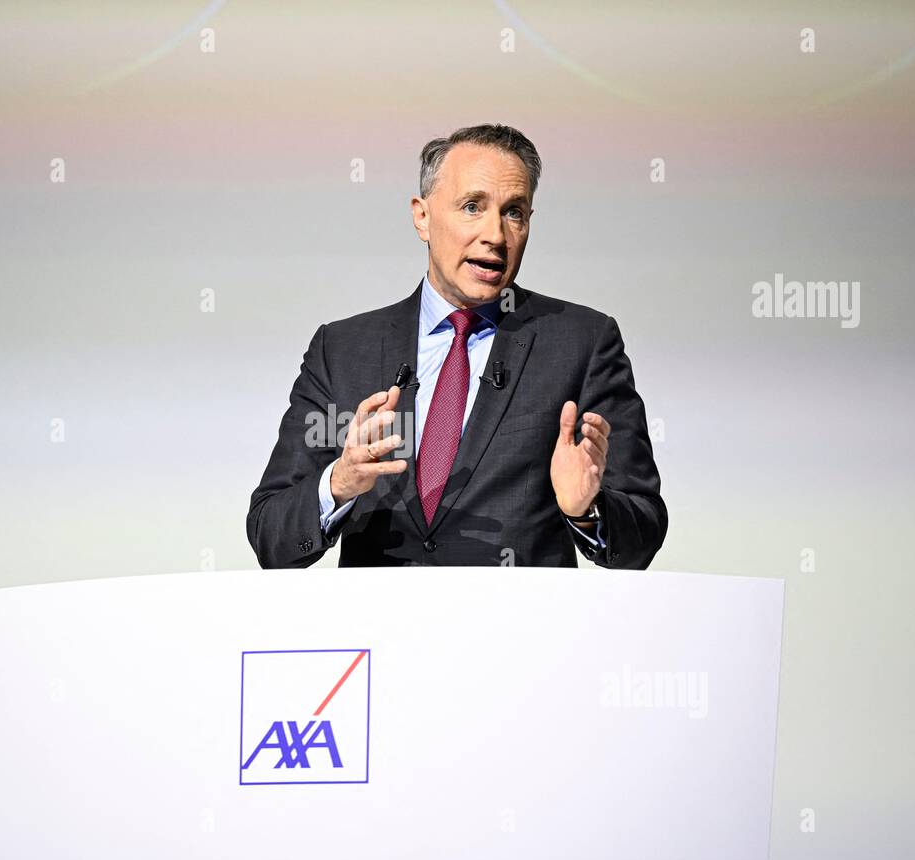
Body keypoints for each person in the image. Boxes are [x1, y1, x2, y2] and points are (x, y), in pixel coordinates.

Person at [247, 124, 666, 569]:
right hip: (384, 631)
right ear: (422, 217)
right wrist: (339, 483)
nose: (496, 236)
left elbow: (642, 533)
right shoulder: (343, 350)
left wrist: (586, 510)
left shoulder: (582, 343)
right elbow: (271, 536)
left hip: (520, 633)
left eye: (514, 213)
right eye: (472, 207)